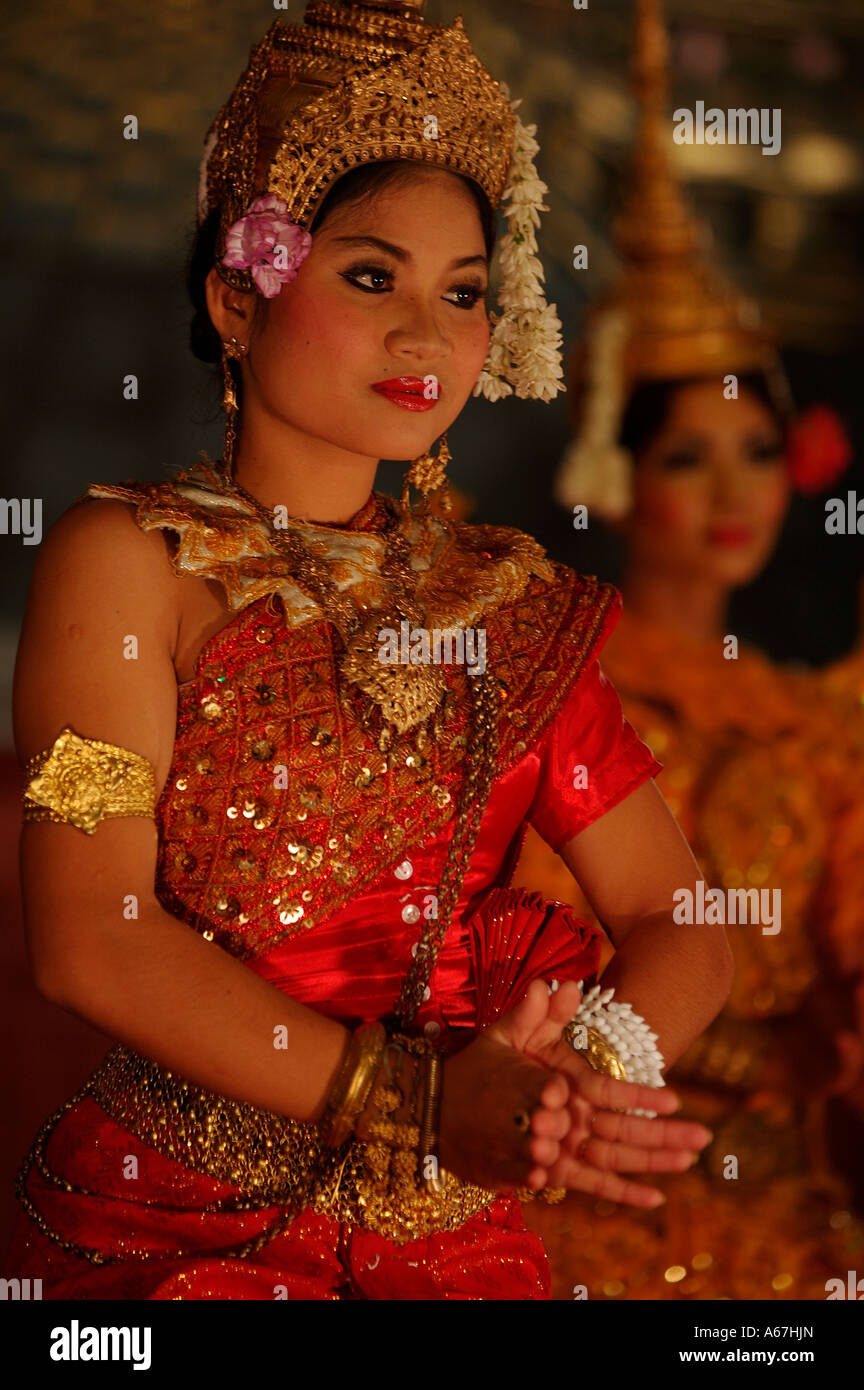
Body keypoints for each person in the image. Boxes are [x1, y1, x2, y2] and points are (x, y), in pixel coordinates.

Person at [4, 0, 731, 1301]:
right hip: (177, 1228)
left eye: (462, 293)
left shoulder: (505, 606)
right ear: (239, 295)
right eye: (368, 274)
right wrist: (410, 1099)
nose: (425, 335)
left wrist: (581, 1078)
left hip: (456, 1242)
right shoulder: (121, 566)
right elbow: (89, 931)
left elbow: (686, 916)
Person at [514, 0, 864, 1300]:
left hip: (777, 1184)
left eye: (760, 453)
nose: (737, 492)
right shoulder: (551, 678)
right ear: (614, 471)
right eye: (689, 457)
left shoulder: (823, 721)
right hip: (575, 1153)